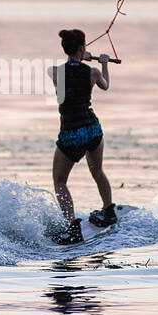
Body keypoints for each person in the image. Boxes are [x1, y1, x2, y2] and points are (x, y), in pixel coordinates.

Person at [47, 28, 115, 244]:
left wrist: (78, 58)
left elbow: (62, 93)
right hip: (91, 129)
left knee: (59, 181)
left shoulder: (54, 72)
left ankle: (71, 226)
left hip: (71, 133)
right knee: (97, 170)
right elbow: (105, 85)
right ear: (82, 48)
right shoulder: (93, 72)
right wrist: (102, 62)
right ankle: (108, 210)